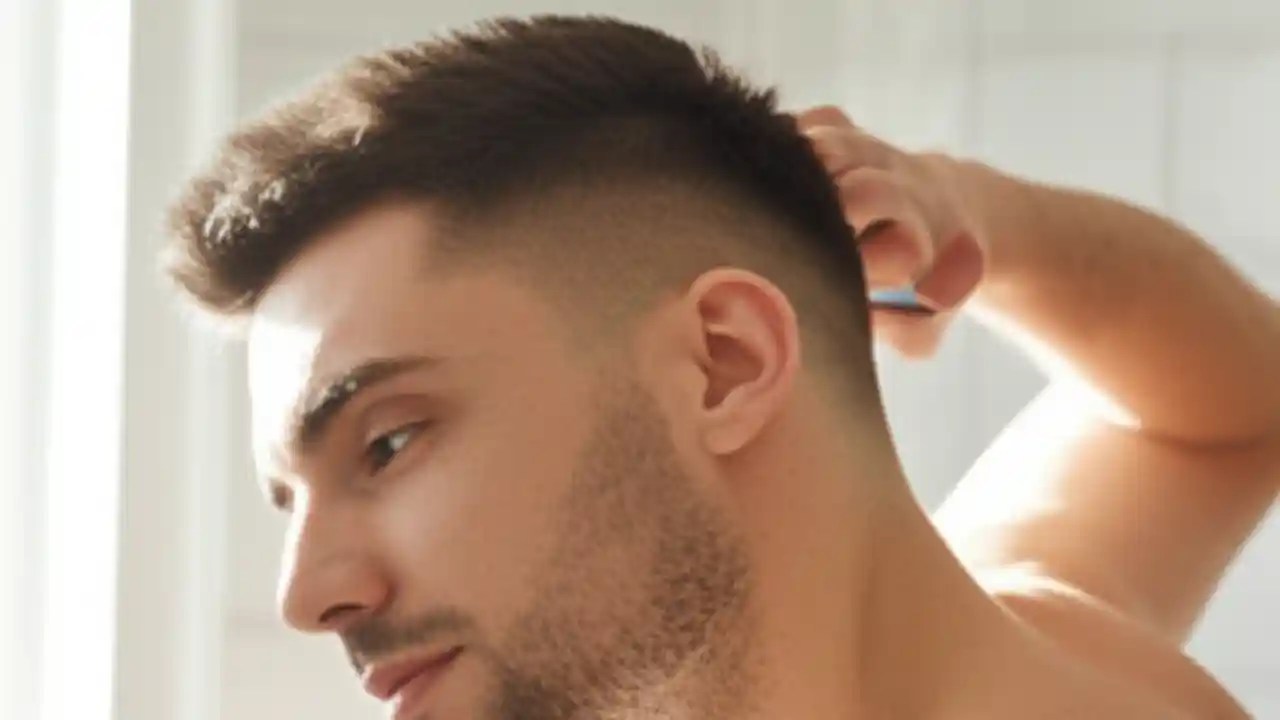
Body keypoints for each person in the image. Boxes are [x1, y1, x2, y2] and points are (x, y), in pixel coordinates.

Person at [163, 14, 1278, 720]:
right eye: (290, 499)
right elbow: (1228, 413)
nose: (308, 595)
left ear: (723, 364)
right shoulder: (1053, 649)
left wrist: (967, 209)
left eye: (389, 444)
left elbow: (1233, 410)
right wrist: (983, 218)